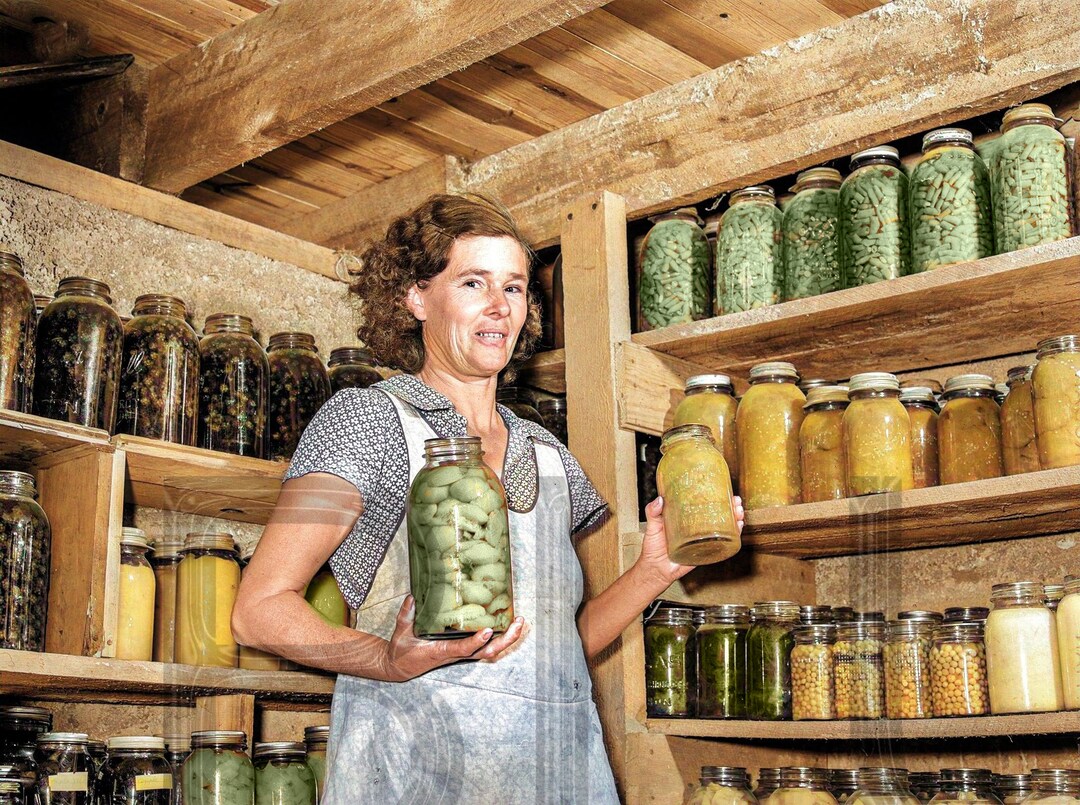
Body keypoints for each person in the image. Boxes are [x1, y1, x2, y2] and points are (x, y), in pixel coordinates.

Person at [231, 194, 745, 803]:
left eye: (515, 287)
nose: (500, 306)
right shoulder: (364, 422)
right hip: (414, 774)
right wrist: (386, 659)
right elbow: (258, 610)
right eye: (473, 282)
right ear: (416, 297)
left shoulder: (548, 454)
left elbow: (557, 646)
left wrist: (653, 571)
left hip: (560, 776)